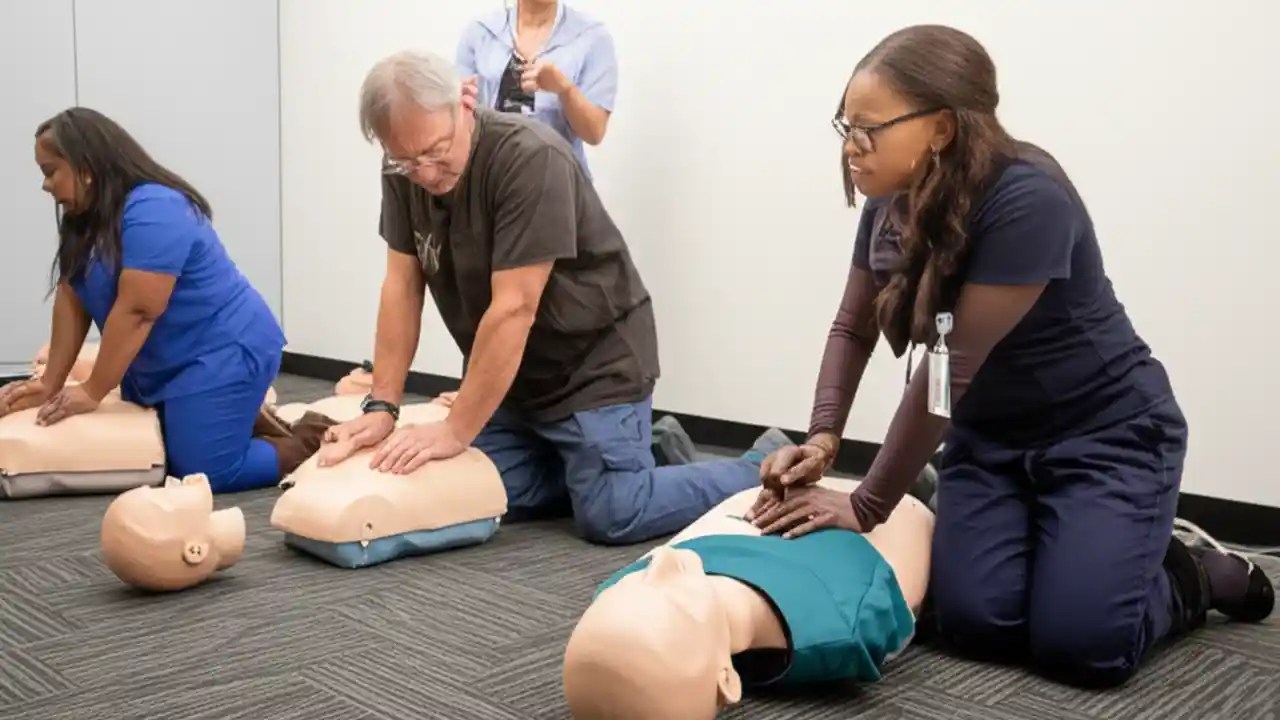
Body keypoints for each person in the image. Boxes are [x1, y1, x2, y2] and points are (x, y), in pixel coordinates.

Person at [745, 25, 1274, 689]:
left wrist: (869, 502)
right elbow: (852, 327)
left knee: (1082, 646)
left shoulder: (1029, 199)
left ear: (940, 128)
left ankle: (1188, 572)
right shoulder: (889, 199)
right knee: (977, 627)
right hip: (990, 442)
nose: (852, 145)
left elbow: (947, 370)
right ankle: (1077, 551)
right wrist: (822, 440)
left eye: (869, 127)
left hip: (1105, 437)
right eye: (844, 124)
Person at [320, 50, 786, 545]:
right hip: (517, 383)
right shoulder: (403, 167)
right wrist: (382, 407)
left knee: (611, 513)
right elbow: (402, 285)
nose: (427, 174)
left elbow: (514, 308)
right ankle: (641, 450)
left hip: (593, 368)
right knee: (472, 491)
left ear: (465, 99)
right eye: (408, 161)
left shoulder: (528, 158)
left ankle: (760, 464)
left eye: (436, 152)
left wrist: (457, 428)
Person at [0, 107, 327, 492]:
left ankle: (311, 440)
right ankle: (239, 418)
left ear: (85, 166)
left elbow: (139, 310)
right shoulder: (84, 219)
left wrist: (91, 391)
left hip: (223, 351)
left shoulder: (155, 207)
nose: (46, 185)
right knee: (159, 448)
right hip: (166, 359)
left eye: (50, 170)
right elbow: (73, 297)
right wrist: (51, 383)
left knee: (203, 471)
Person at [455, 0, 616, 177]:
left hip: (558, 183)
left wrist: (565, 90)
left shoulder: (591, 37)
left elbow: (594, 133)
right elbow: (459, 117)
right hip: (491, 179)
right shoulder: (481, 32)